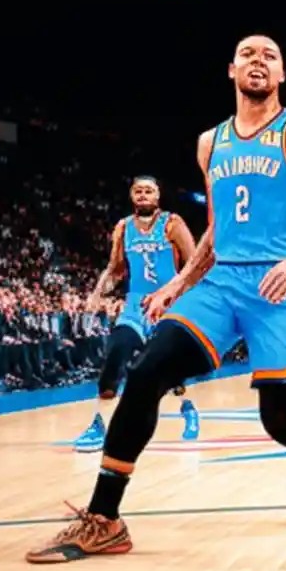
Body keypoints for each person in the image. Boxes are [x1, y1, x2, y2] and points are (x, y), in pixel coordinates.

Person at [26, 34, 286, 563]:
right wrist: (179, 283)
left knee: (283, 423)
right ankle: (104, 519)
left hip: (280, 289)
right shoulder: (211, 143)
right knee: (147, 371)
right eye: (248, 54)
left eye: (270, 55)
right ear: (231, 70)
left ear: (282, 74)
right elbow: (217, 228)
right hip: (222, 284)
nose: (258, 61)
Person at [74, 177, 200, 452]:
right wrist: (97, 293)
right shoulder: (123, 227)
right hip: (135, 306)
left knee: (165, 366)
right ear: (132, 196)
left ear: (158, 195)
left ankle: (188, 407)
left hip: (167, 304)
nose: (143, 195)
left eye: (149, 190)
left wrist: (178, 295)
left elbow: (194, 265)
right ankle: (99, 423)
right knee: (116, 352)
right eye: (138, 191)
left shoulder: (172, 223)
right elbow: (115, 268)